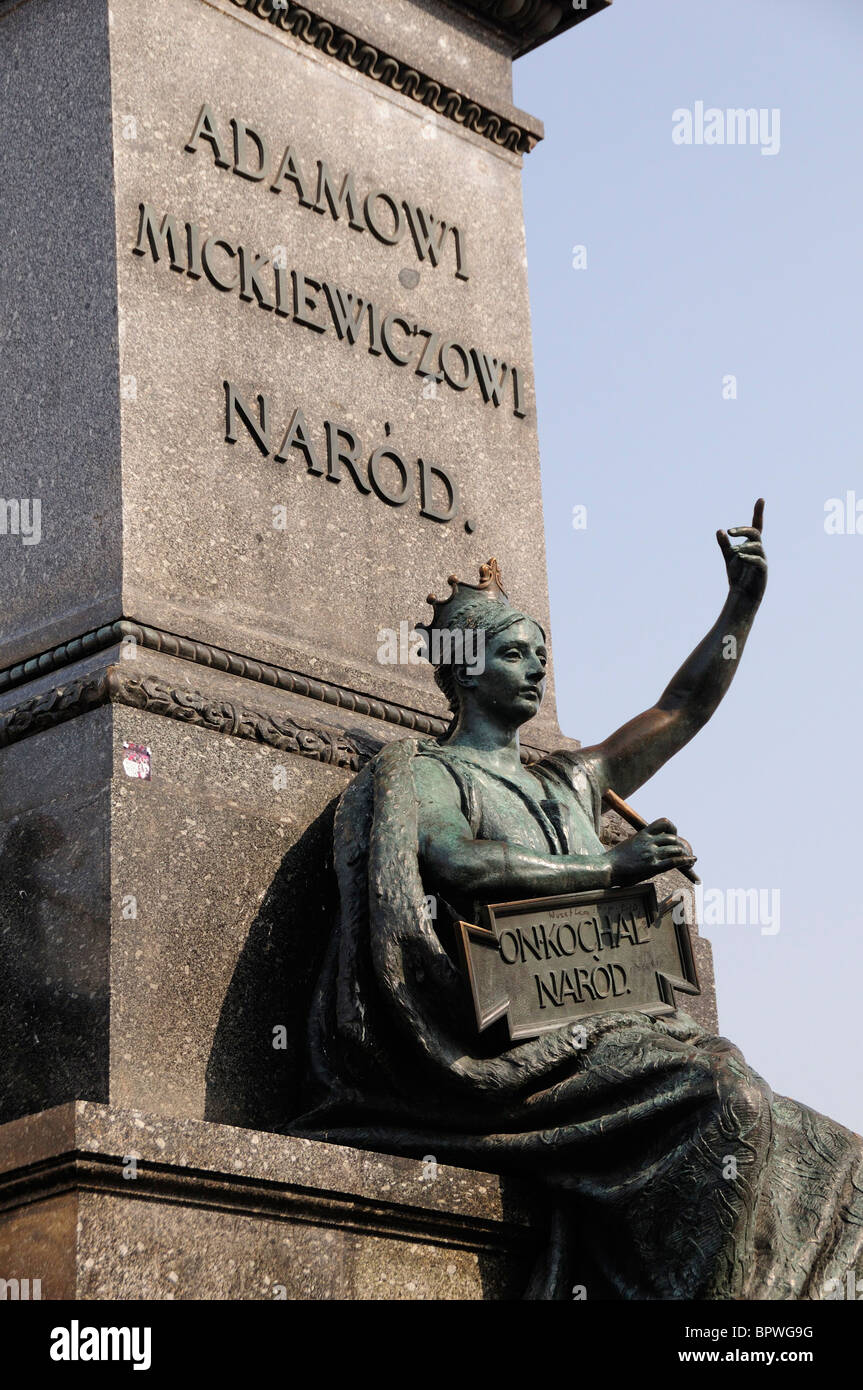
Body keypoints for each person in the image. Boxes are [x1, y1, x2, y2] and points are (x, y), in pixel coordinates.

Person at [290, 502, 863, 1299]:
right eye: (513, 653)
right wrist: (611, 867)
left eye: (540, 653)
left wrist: (740, 607)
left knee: (836, 1157)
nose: (535, 668)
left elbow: (680, 708)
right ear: (462, 668)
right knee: (725, 1099)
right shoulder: (426, 772)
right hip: (512, 1034)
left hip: (616, 1018)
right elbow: (460, 863)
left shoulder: (571, 780)